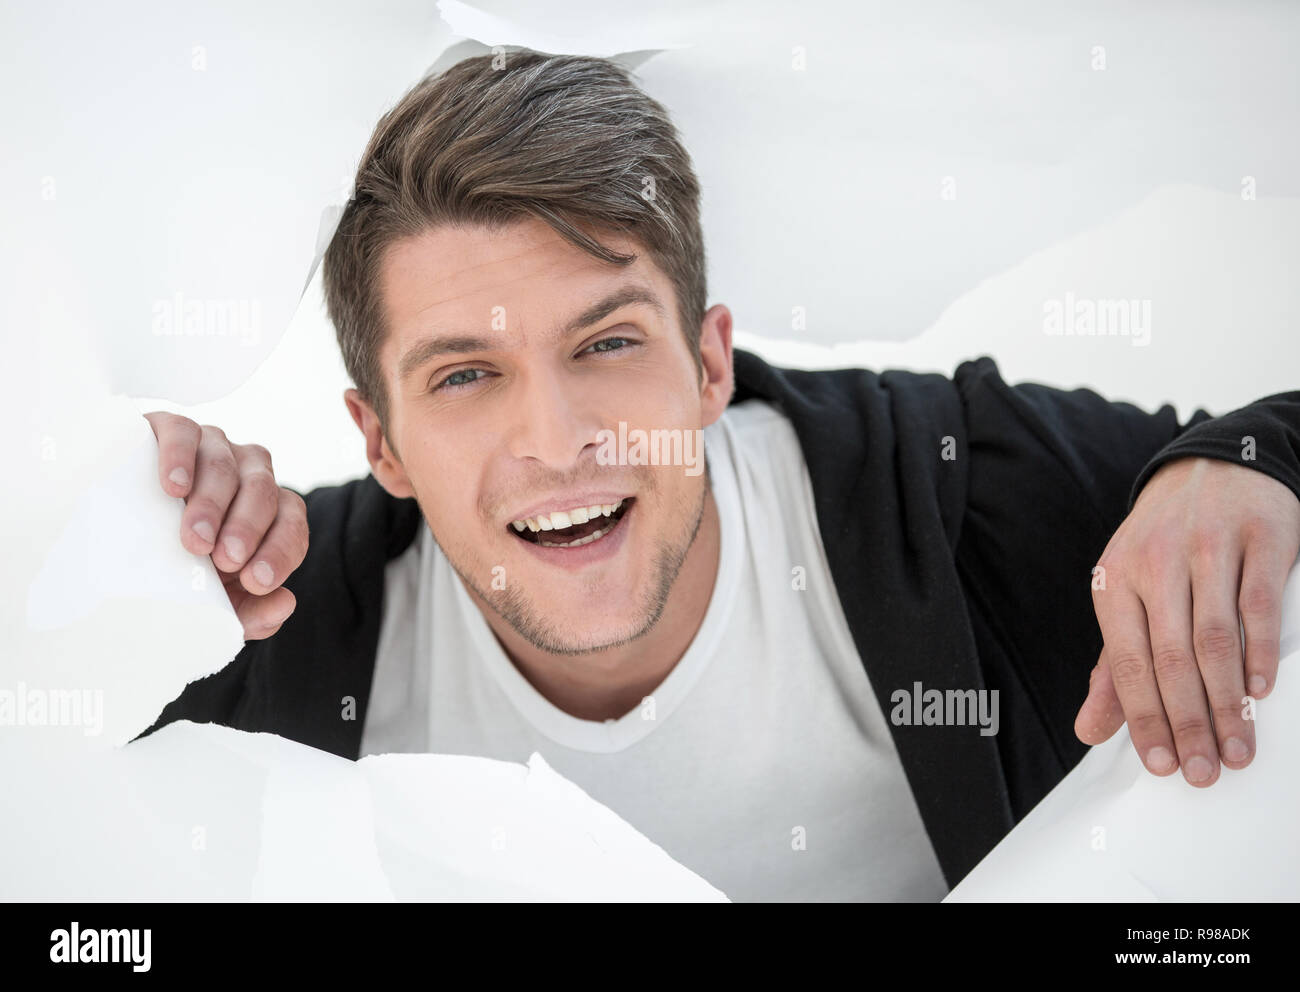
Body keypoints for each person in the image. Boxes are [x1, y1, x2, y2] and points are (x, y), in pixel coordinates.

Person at [138, 50, 1300, 901]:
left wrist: (1243, 458)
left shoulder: (949, 494)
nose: (557, 438)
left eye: (605, 343)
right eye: (463, 376)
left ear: (706, 362)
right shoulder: (276, 639)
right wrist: (119, 569)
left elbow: (1263, 453)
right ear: (377, 438)